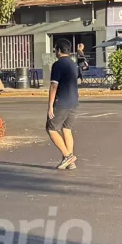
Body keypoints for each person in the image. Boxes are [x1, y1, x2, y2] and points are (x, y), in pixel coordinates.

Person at [47, 39, 79, 170]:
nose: (55, 51)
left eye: (55, 49)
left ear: (59, 50)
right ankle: (70, 162)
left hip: (62, 102)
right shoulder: (73, 63)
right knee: (66, 129)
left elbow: (54, 86)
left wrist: (50, 106)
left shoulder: (58, 64)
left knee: (51, 128)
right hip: (74, 101)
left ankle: (67, 156)